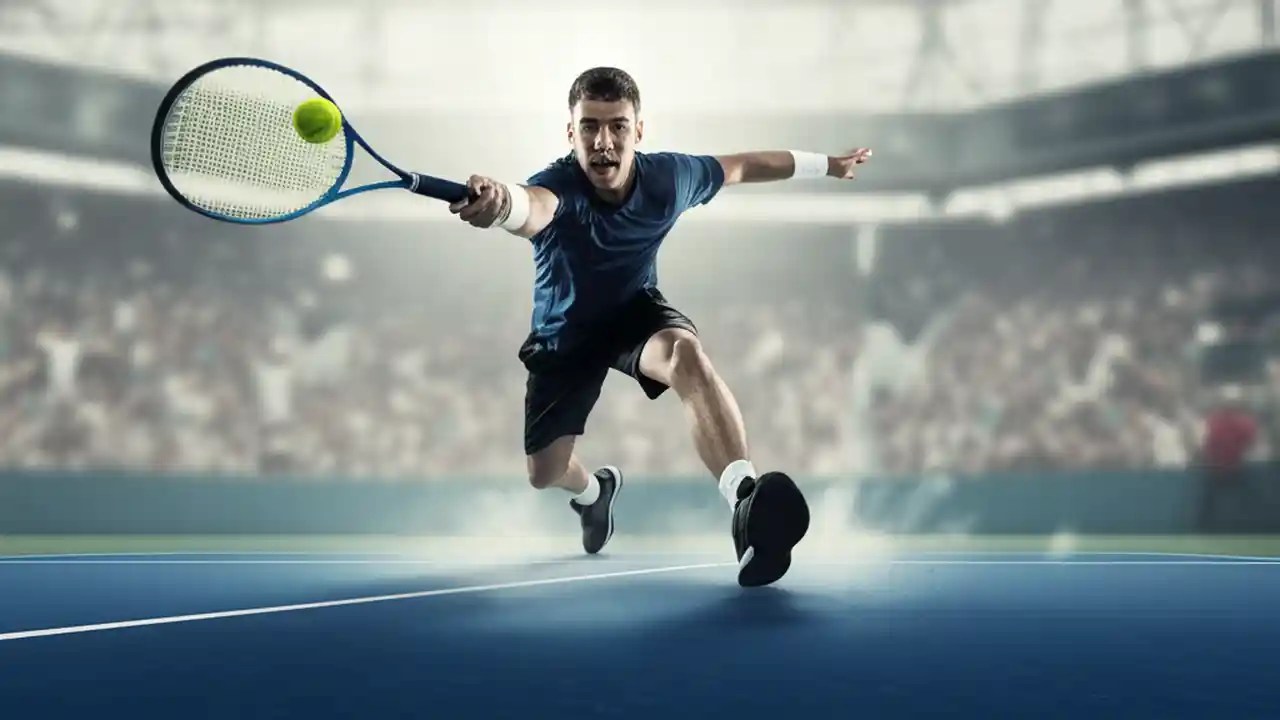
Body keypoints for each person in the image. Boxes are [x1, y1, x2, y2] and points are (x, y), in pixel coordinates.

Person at [448, 67, 872, 587]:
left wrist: (827, 165)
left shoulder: (670, 179)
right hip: (566, 337)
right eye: (589, 127)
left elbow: (743, 166)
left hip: (633, 313)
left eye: (618, 126)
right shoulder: (557, 189)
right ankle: (593, 494)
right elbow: (528, 205)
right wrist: (498, 203)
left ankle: (745, 500)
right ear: (571, 134)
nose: (603, 142)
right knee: (545, 473)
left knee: (685, 357)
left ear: (638, 131)